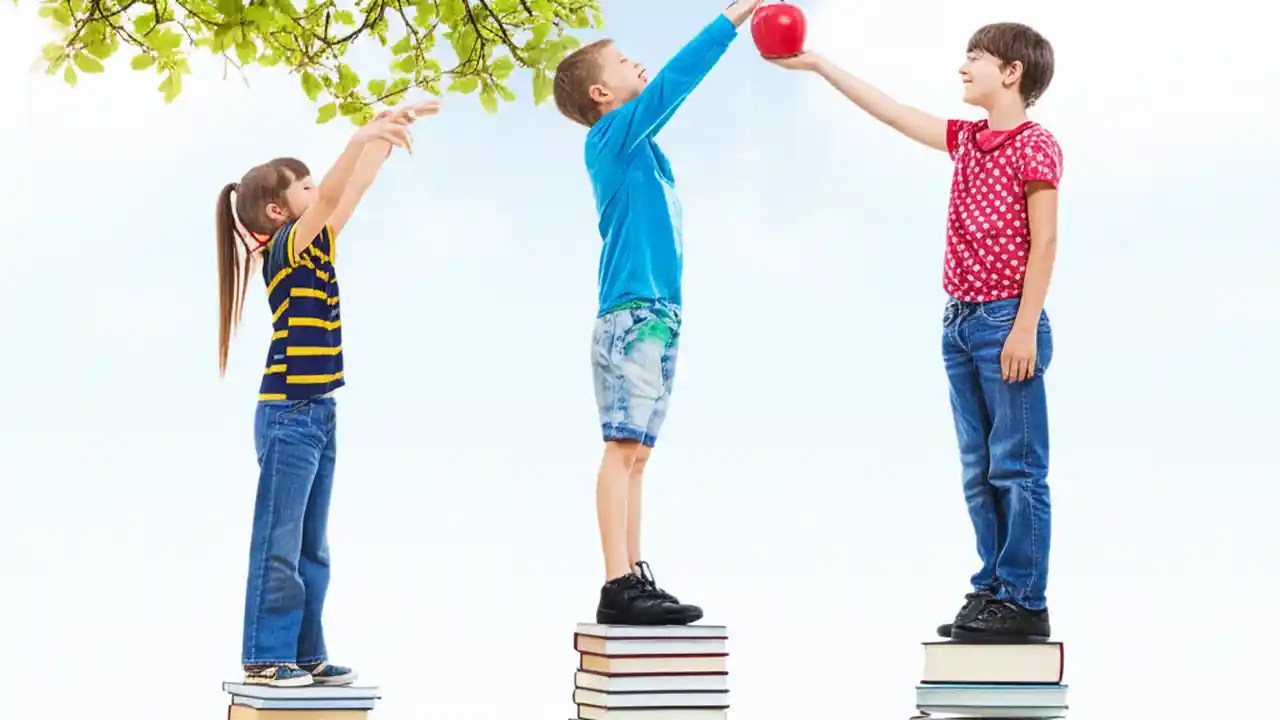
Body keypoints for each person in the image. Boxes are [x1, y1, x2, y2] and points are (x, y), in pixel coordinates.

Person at [771, 23, 1062, 642]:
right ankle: (992, 587)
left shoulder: (1034, 145)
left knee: (1018, 464)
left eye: (975, 58)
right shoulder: (966, 140)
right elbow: (897, 114)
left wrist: (1025, 329)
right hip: (959, 323)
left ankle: (1024, 598)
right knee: (978, 468)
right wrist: (822, 65)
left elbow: (1046, 241)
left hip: (1006, 320)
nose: (963, 68)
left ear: (1011, 72)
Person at [551, 0, 764, 625]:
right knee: (621, 448)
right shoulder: (610, 137)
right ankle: (616, 580)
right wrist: (732, 19)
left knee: (638, 453)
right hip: (629, 318)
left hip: (660, 316)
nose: (635, 61)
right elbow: (674, 83)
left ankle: (634, 573)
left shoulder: (647, 152)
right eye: (622, 61)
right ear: (600, 91)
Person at [214, 101, 439, 685]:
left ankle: (305, 651)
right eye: (305, 186)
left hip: (319, 411)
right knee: (280, 540)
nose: (320, 192)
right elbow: (337, 191)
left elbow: (351, 189)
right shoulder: (285, 248)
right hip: (289, 411)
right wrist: (358, 136)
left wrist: (383, 139)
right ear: (277, 209)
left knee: (313, 547)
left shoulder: (317, 242)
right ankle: (265, 655)